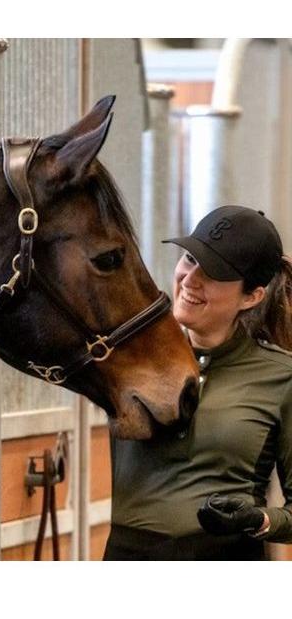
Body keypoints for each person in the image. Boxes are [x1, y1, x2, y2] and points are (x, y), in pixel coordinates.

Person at [104, 205, 292, 560]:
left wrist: (260, 519)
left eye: (215, 272)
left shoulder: (282, 377)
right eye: (190, 258)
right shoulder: (127, 355)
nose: (190, 279)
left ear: (251, 296)